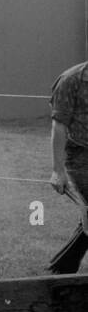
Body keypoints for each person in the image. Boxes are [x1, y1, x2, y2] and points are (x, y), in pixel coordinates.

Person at [48, 61, 88, 274]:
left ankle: (61, 270)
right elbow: (59, 125)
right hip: (79, 158)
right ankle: (61, 269)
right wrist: (58, 170)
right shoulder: (71, 80)